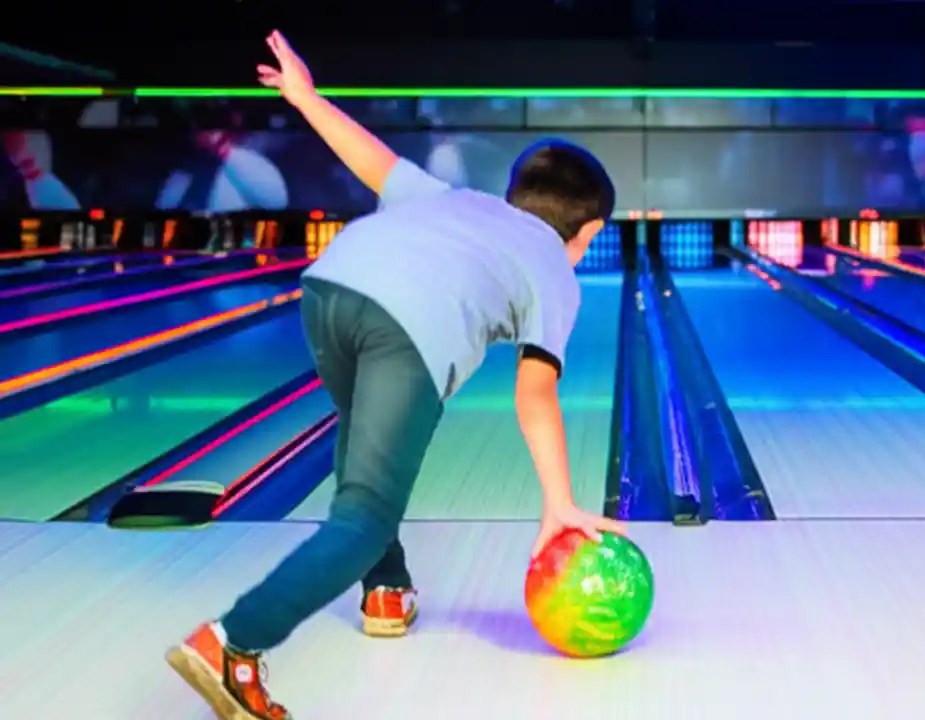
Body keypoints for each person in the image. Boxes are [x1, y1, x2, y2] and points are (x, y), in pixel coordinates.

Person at [166, 30, 627, 720]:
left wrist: (305, 95)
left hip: (328, 290)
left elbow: (372, 159)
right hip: (404, 330)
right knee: (363, 516)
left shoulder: (454, 198)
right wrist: (559, 501)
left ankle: (387, 590)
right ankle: (231, 644)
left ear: (514, 193)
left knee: (365, 456)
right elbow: (535, 393)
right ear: (588, 232)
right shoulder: (556, 271)